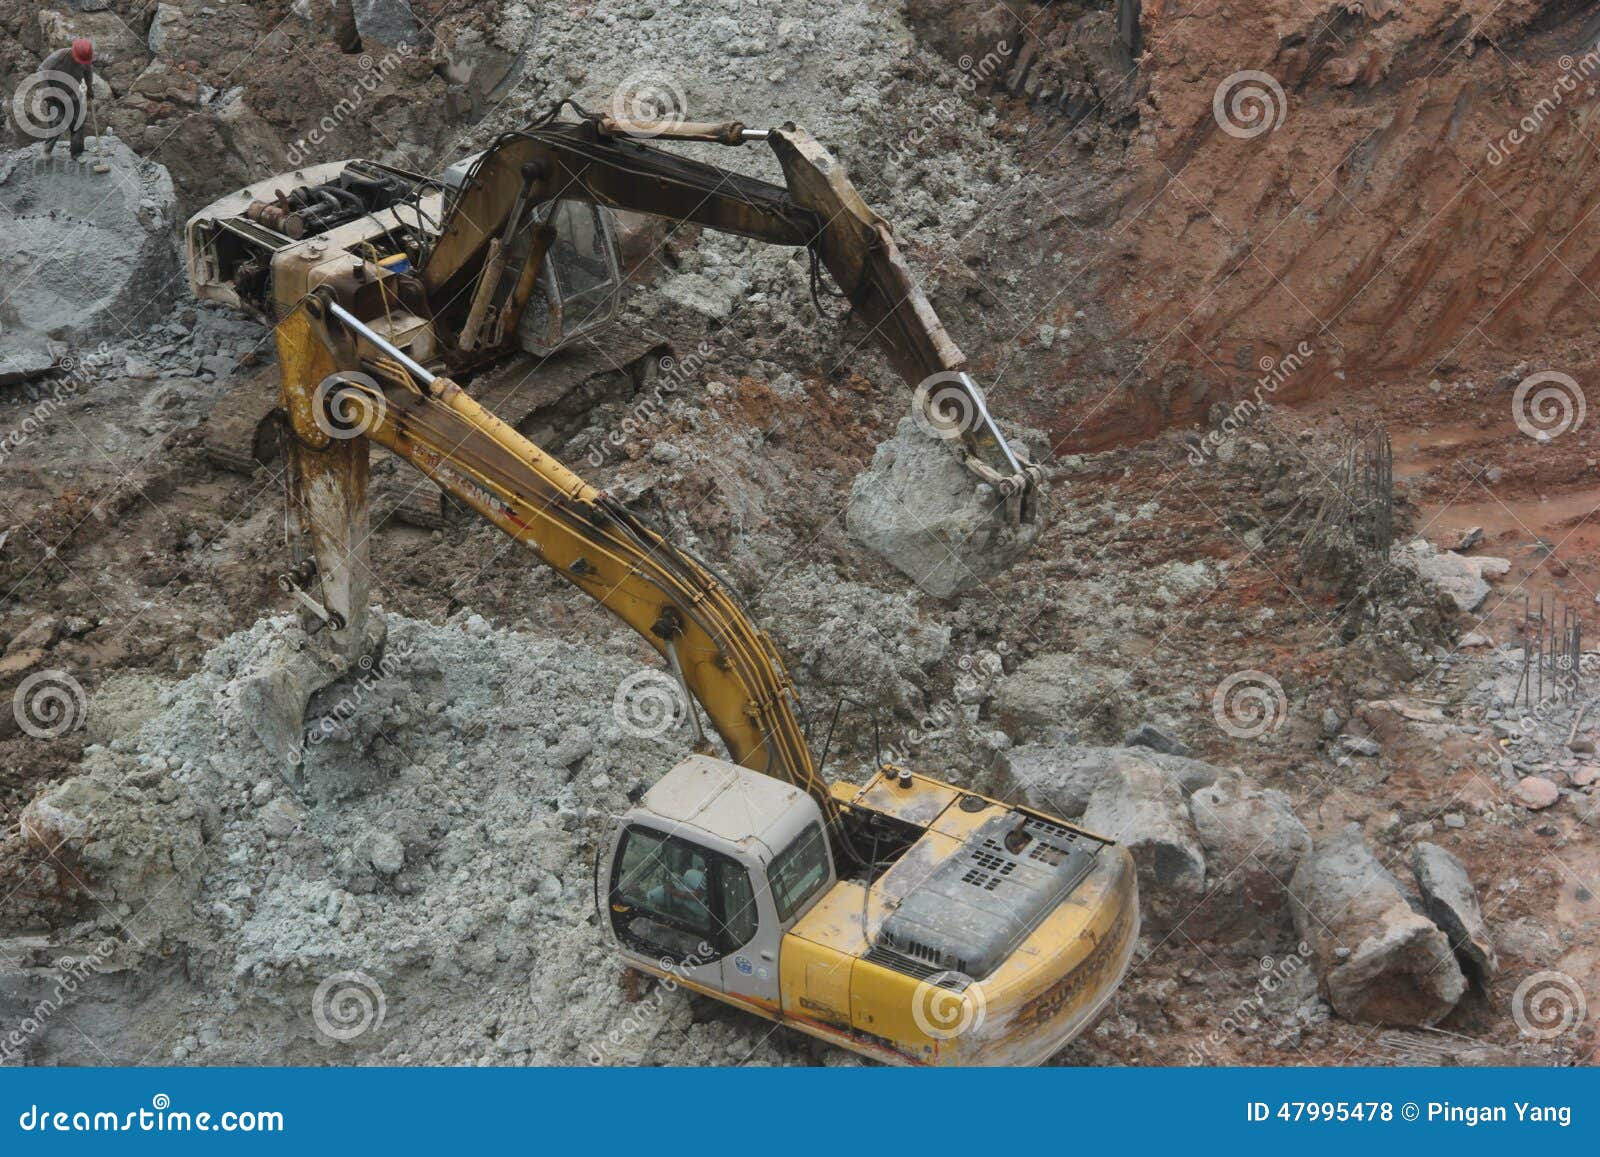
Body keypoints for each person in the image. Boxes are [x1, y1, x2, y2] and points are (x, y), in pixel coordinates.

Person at [35, 38, 94, 159]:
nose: (82, 62)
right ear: (73, 51)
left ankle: (76, 152)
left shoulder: (85, 59)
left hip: (73, 94)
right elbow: (41, 71)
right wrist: (46, 90)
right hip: (55, 95)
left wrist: (90, 89)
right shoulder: (58, 57)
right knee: (57, 123)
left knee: (78, 122)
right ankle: (46, 150)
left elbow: (88, 73)